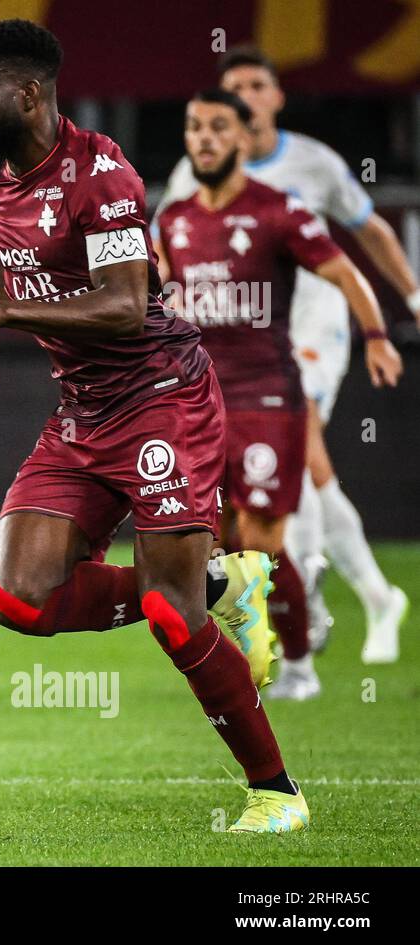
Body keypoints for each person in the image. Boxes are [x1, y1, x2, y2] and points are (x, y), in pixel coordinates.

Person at [0, 19, 306, 831]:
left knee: (171, 621)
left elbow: (129, 306)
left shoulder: (103, 173)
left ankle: (277, 793)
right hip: (83, 413)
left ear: (25, 93)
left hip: (162, 394)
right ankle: (219, 583)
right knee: (18, 600)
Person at [155, 47, 415, 664]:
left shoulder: (313, 163)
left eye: (256, 85)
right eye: (232, 86)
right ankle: (371, 596)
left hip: (308, 327)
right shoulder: (194, 175)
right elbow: (164, 258)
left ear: (273, 99)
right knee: (289, 487)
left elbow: (370, 230)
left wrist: (410, 296)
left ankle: (309, 595)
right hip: (228, 347)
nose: (244, 94)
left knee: (306, 455)